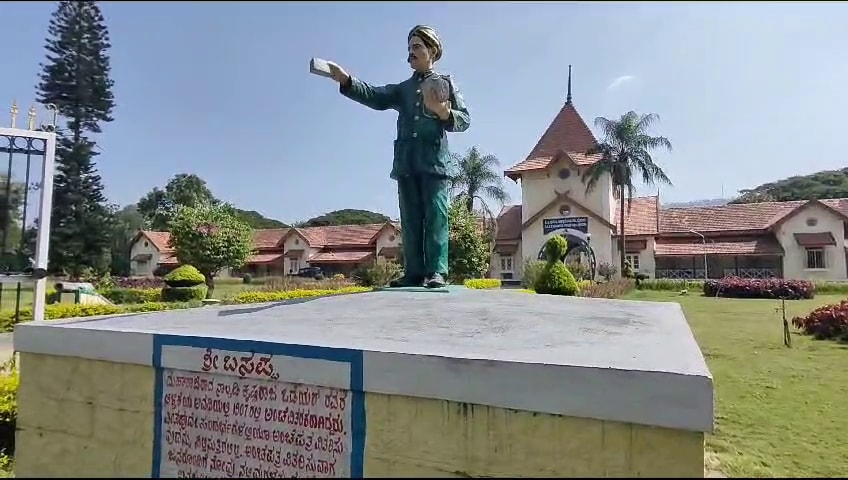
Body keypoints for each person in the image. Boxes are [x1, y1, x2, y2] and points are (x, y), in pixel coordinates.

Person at [325, 25, 471, 288]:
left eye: (416, 47)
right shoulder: (402, 89)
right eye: (409, 48)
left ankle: (437, 271)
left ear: (432, 51)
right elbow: (376, 96)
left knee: (436, 216)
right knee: (410, 219)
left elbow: (464, 120)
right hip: (406, 163)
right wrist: (347, 81)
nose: (410, 54)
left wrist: (443, 112)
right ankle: (414, 271)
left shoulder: (445, 84)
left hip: (435, 163)